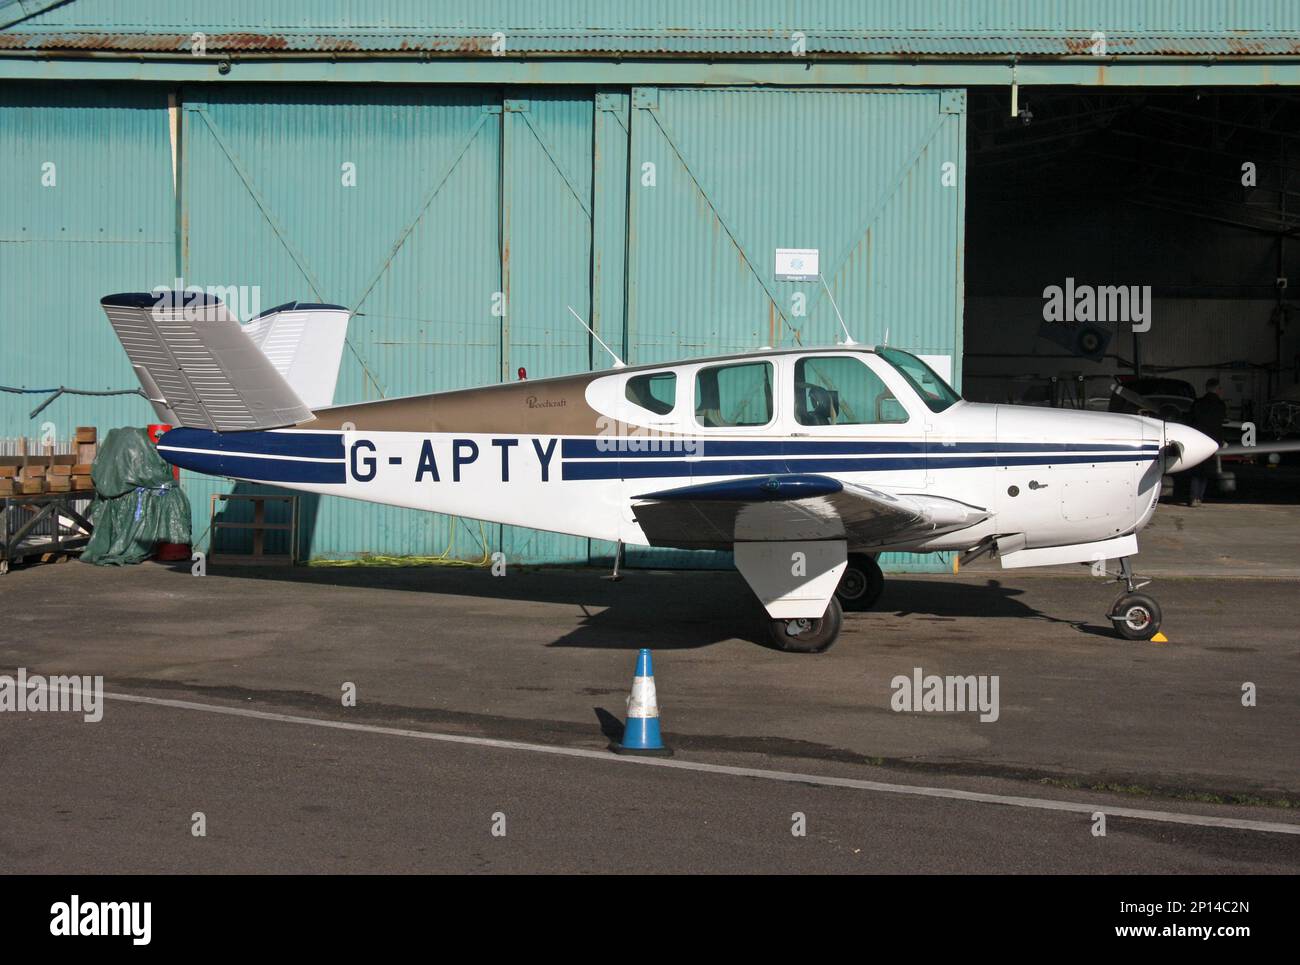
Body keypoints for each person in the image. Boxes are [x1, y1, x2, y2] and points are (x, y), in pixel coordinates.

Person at [1187, 378, 1227, 506]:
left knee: (1196, 469)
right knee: (1205, 472)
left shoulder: (1197, 403)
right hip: (1211, 441)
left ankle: (1193, 497)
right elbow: (1218, 425)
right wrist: (1220, 442)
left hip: (1197, 439)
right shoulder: (1220, 405)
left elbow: (1190, 421)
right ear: (1218, 389)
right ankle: (1199, 497)